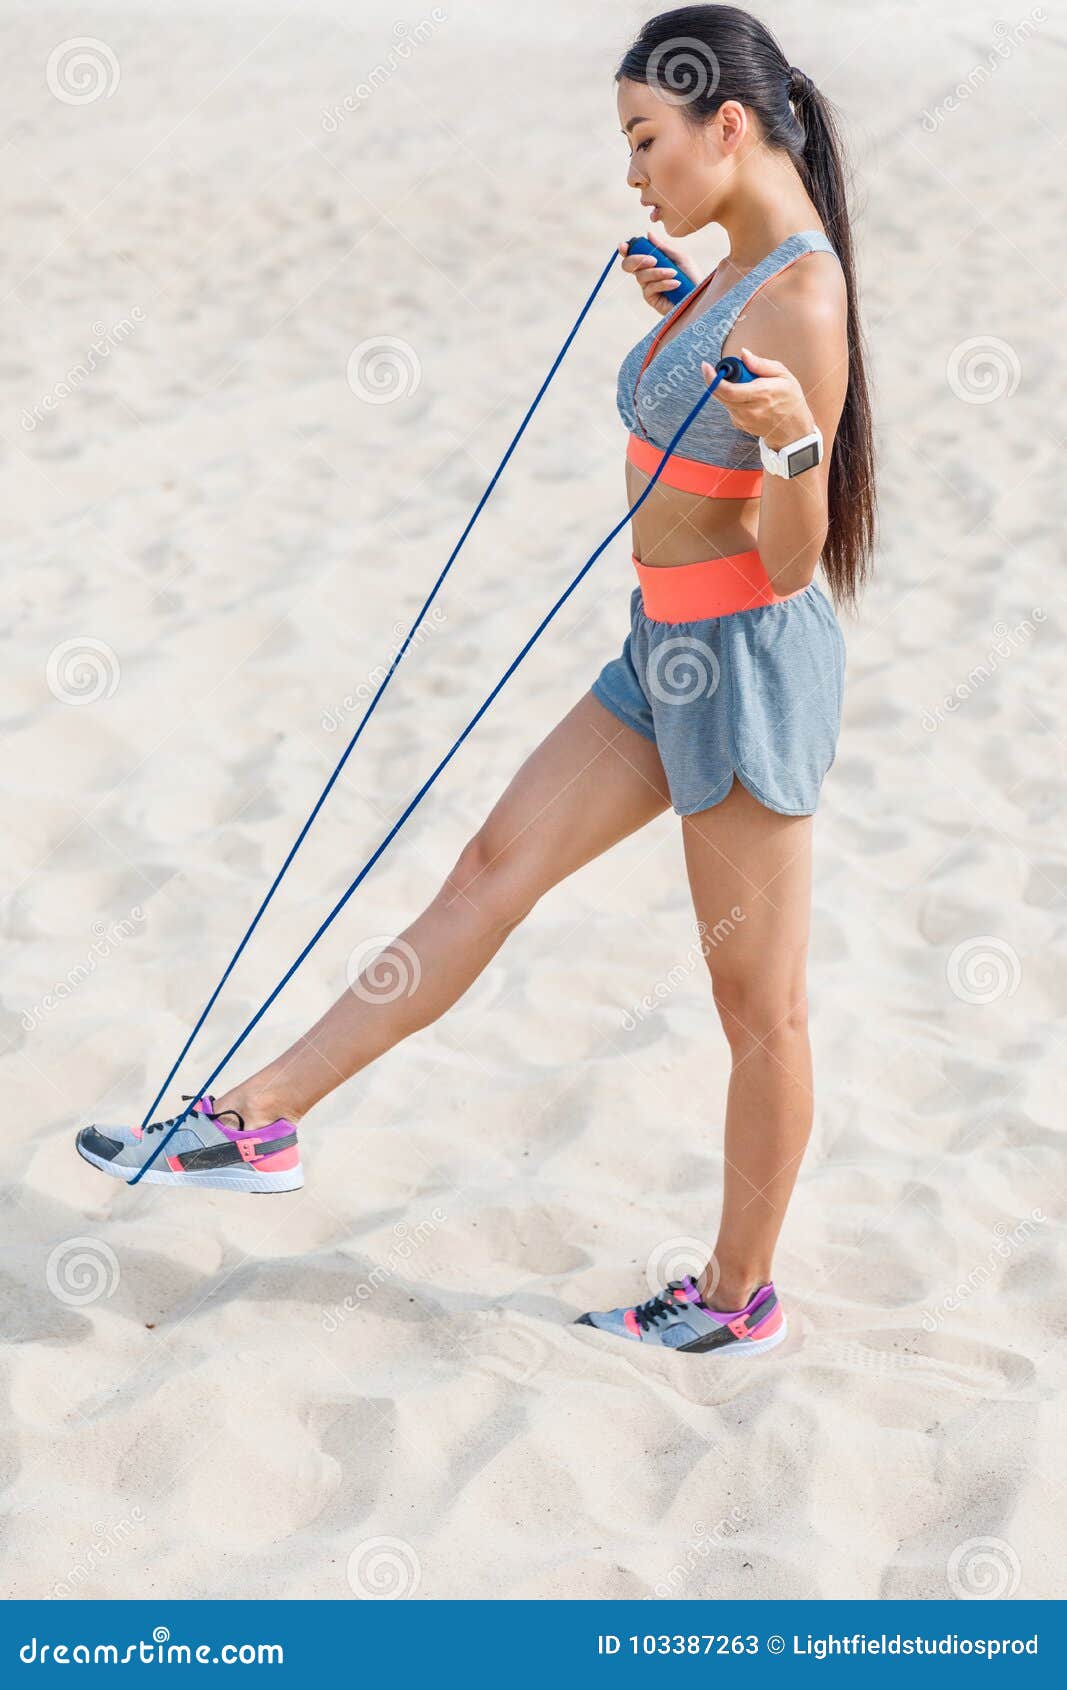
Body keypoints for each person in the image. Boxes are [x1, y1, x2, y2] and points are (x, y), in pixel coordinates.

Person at [76, 4, 875, 1359]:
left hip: (741, 671)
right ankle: (255, 1116)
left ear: (725, 126)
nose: (634, 176)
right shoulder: (739, 269)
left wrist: (798, 441)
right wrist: (687, 324)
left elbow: (791, 561)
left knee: (761, 1009)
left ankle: (739, 1298)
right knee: (489, 864)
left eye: (644, 141)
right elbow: (710, 423)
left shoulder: (802, 291)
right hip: (658, 650)